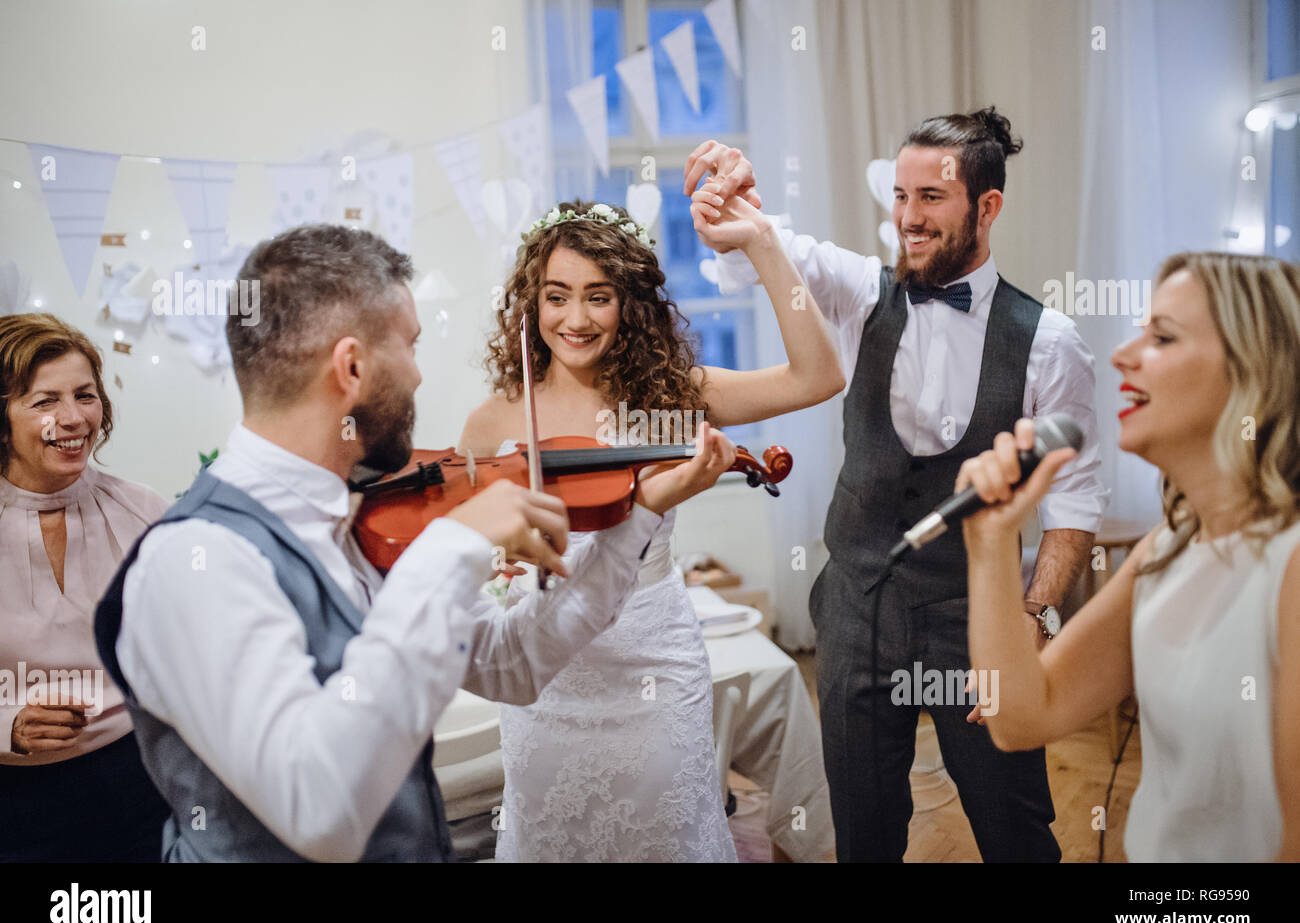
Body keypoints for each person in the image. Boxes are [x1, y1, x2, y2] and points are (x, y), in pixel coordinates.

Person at [92, 224, 737, 863]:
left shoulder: (365, 520)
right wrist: (452, 547)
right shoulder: (197, 560)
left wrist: (640, 514)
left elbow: (516, 662)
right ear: (352, 368)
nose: (421, 377)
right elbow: (320, 813)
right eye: (411, 346)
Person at [686, 107, 1109, 862]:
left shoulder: (1051, 342)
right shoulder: (857, 291)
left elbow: (1074, 504)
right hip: (856, 612)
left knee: (1014, 825)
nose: (908, 218)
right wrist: (733, 195)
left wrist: (1033, 614)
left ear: (987, 207)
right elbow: (774, 248)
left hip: (972, 625)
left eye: (931, 198)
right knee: (864, 827)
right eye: (901, 196)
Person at [461, 198, 844, 861]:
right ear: (532, 302)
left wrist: (761, 245)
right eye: (556, 296)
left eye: (597, 296)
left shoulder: (670, 399)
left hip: (653, 663)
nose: (574, 318)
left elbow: (819, 375)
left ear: (629, 304)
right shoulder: (495, 422)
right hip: (548, 673)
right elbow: (474, 560)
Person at [960, 252, 1300, 862]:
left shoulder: (1291, 565)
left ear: (1256, 369)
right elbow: (1019, 718)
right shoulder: (1166, 551)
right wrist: (988, 547)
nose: (1121, 355)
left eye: (1162, 337)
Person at [0, 312, 169, 862]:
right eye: (45, 401)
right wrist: (9, 725)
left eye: (86, 396)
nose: (73, 419)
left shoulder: (143, 509)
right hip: (15, 802)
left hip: (141, 777)